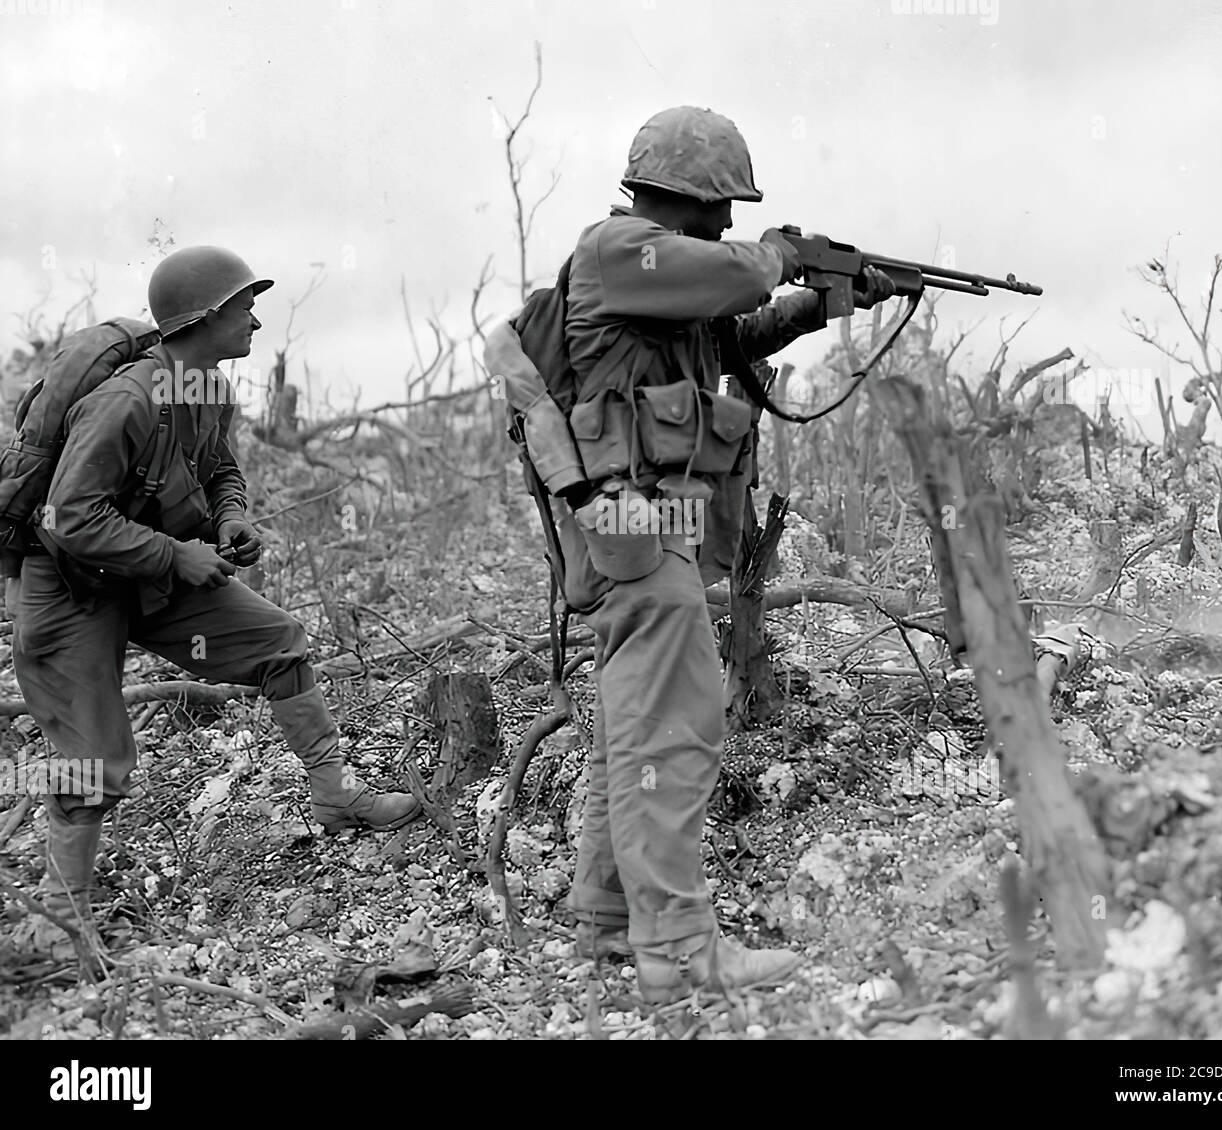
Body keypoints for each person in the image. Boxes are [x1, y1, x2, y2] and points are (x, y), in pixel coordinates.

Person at [487, 107, 894, 1003]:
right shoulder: (618, 251)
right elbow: (736, 271)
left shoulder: (658, 286)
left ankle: (605, 921)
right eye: (724, 209)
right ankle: (676, 951)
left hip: (633, 528)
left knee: (633, 724)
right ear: (689, 198)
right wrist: (787, 253)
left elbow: (727, 341)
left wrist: (819, 303)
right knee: (676, 725)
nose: (730, 225)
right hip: (626, 526)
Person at [12, 245, 420, 954]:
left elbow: (220, 469)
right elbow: (69, 519)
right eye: (244, 307)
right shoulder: (126, 400)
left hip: (153, 576)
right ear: (203, 318)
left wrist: (230, 517)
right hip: (71, 589)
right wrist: (176, 552)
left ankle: (334, 796)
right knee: (96, 757)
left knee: (279, 640)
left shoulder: (209, 392)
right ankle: (59, 917)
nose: (256, 320)